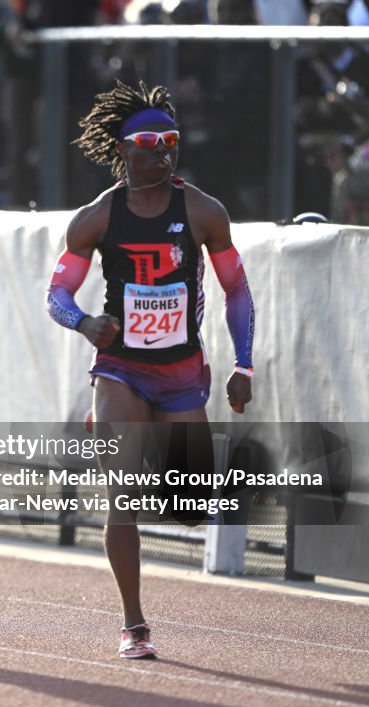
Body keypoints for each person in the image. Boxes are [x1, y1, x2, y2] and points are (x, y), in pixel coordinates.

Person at [45, 80, 254, 659]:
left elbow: (238, 292)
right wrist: (85, 323)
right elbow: (56, 294)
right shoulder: (94, 219)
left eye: (171, 141)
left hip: (183, 372)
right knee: (124, 495)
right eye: (150, 142)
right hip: (120, 369)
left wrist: (245, 366)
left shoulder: (205, 211)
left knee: (190, 510)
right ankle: (133, 623)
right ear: (124, 148)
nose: (162, 152)